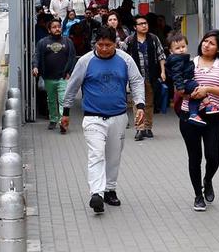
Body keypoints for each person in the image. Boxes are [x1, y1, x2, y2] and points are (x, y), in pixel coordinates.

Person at [60, 26, 145, 214]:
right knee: (96, 154)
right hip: (93, 118)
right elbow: (73, 86)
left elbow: (137, 81)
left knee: (113, 156)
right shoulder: (85, 61)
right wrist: (65, 112)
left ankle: (110, 190)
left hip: (119, 116)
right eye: (100, 45)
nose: (104, 49)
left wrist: (140, 106)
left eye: (108, 45)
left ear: (115, 43)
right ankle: (96, 193)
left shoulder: (125, 59)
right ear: (95, 44)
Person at [177, 30, 219, 211]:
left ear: (218, 49)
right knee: (194, 157)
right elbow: (179, 88)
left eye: (211, 43)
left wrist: (207, 89)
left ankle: (208, 179)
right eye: (205, 41)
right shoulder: (190, 62)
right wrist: (190, 92)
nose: (206, 45)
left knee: (213, 156)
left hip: (212, 117)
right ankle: (198, 195)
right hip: (189, 116)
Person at [32, 18, 77, 132]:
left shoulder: (68, 42)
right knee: (51, 100)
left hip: (63, 77)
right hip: (48, 77)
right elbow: (36, 56)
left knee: (63, 100)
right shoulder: (42, 42)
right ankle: (53, 119)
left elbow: (72, 58)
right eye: (54, 27)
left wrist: (69, 73)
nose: (57, 29)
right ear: (49, 29)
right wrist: (35, 67)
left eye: (59, 26)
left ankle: (63, 122)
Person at [126, 14, 166, 140]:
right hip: (135, 77)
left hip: (150, 76)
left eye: (145, 23)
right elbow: (124, 59)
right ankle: (139, 128)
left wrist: (163, 72)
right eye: (141, 24)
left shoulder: (153, 39)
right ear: (135, 27)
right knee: (137, 103)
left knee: (149, 103)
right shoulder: (129, 40)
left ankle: (148, 127)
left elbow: (161, 55)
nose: (144, 26)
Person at [167, 35, 205, 126]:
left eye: (183, 47)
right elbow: (176, 74)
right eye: (177, 48)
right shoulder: (177, 60)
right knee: (198, 88)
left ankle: (193, 113)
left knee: (194, 96)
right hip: (185, 82)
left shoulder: (182, 58)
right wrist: (180, 87)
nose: (181, 50)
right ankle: (207, 104)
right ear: (171, 51)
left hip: (185, 81)